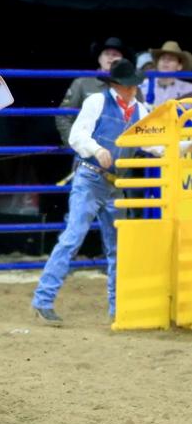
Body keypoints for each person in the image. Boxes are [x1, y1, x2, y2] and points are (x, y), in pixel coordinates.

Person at [32, 58, 187, 325]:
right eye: (129, 86)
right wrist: (97, 149)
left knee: (116, 247)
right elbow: (77, 136)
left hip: (114, 184)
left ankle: (117, 308)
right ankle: (43, 299)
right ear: (117, 85)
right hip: (90, 178)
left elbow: (158, 146)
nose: (132, 89)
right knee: (73, 238)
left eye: (133, 86)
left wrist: (184, 146)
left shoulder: (141, 109)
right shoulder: (97, 102)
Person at [56, 37, 134, 147]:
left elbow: (140, 119)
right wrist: (76, 145)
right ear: (99, 59)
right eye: (107, 53)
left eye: (115, 54)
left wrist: (131, 147)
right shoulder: (82, 83)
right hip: (88, 151)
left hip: (120, 151)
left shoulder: (131, 86)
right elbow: (63, 116)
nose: (111, 57)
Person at [140, 41, 192, 108]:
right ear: (157, 64)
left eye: (171, 59)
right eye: (162, 58)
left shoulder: (189, 89)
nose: (166, 61)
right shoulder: (143, 86)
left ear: (179, 66)